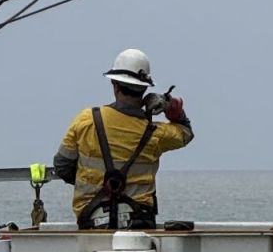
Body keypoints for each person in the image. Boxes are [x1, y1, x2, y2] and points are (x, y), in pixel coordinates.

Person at [51, 48, 192, 229]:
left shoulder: (86, 120)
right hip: (138, 225)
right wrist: (169, 106)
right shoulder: (156, 133)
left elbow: (62, 167)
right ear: (144, 89)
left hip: (91, 224)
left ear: (115, 85)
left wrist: (95, 184)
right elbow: (186, 133)